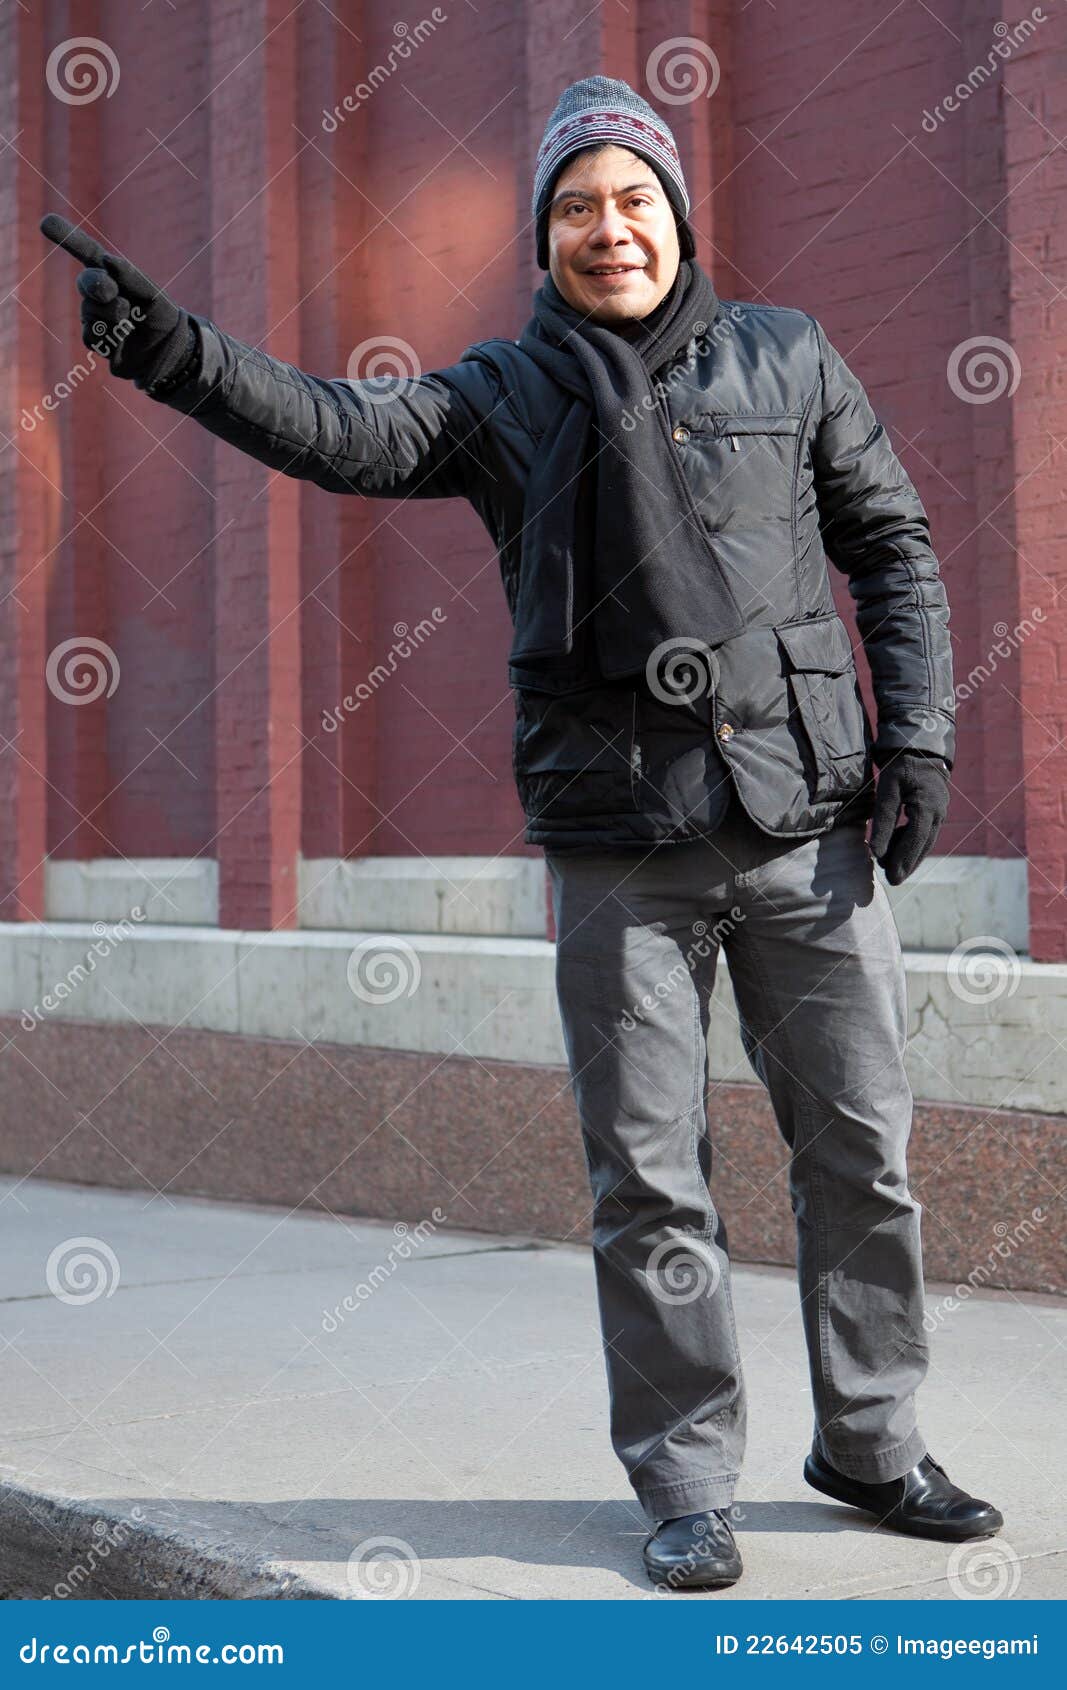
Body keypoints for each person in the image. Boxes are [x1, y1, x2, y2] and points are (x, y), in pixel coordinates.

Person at [41, 72, 1003, 1593]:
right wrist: (177, 357)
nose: (608, 230)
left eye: (632, 199)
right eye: (575, 207)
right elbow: (342, 430)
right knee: (648, 1179)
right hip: (620, 845)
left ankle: (872, 1440)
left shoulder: (790, 356)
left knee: (866, 1154)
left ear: (676, 213)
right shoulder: (505, 394)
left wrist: (922, 735)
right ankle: (688, 1480)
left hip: (803, 828)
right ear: (545, 237)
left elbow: (892, 539)